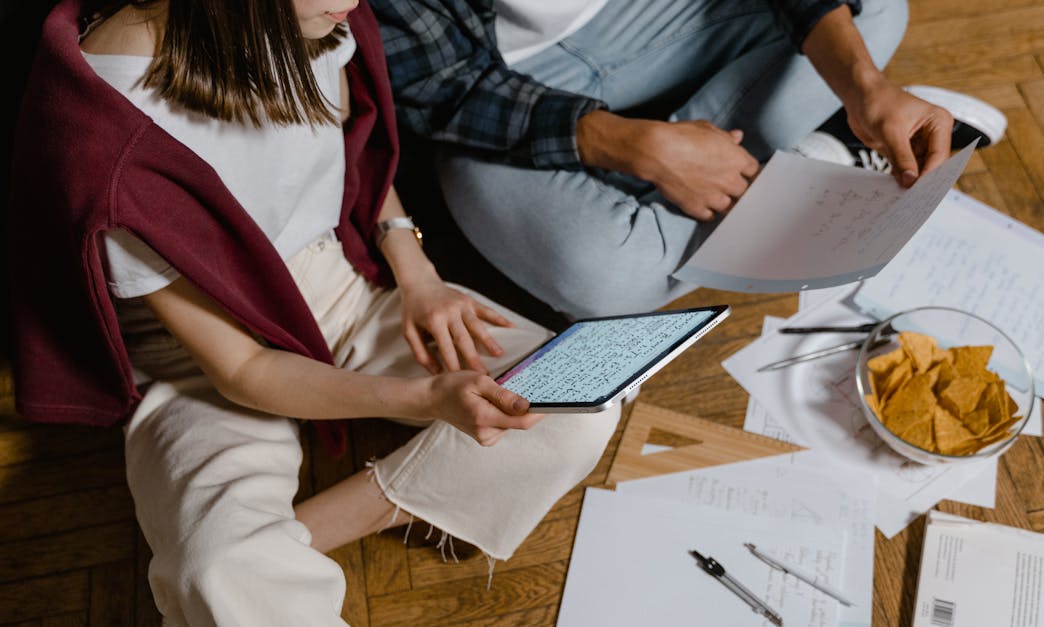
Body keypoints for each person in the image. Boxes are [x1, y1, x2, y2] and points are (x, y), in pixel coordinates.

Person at [7, 0, 618, 623]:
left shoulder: (309, 16)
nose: (353, 1)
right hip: (198, 353)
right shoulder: (111, 131)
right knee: (216, 568)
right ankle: (279, 550)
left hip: (335, 285)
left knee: (580, 399)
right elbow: (242, 370)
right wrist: (425, 398)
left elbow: (344, 154)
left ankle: (306, 532)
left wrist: (416, 273)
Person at [369, 0, 998, 319]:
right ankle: (800, 156)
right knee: (603, 276)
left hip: (650, 15)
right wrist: (631, 144)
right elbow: (443, 87)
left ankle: (806, 148)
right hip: (498, 80)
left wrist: (864, 83)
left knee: (878, 9)